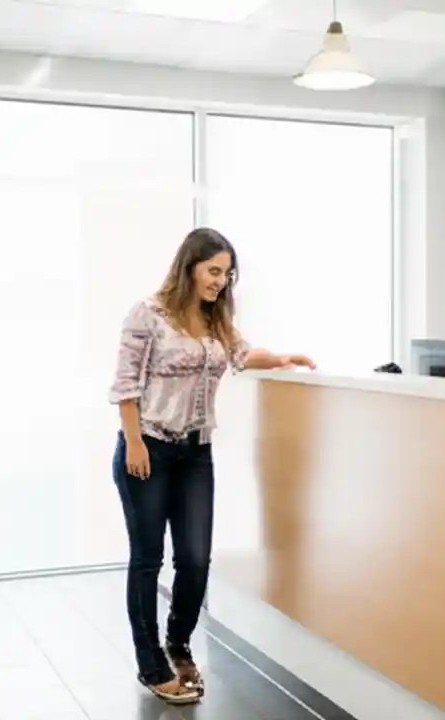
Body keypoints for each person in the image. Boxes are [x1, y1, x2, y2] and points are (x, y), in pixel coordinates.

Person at [108, 227, 314, 705]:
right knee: (147, 560)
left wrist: (280, 358)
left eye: (226, 274)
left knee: (196, 558)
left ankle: (177, 641)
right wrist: (134, 442)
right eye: (214, 271)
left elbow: (243, 355)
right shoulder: (148, 314)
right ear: (190, 267)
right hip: (150, 449)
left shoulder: (214, 318)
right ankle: (150, 663)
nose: (221, 282)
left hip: (196, 453)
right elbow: (124, 384)